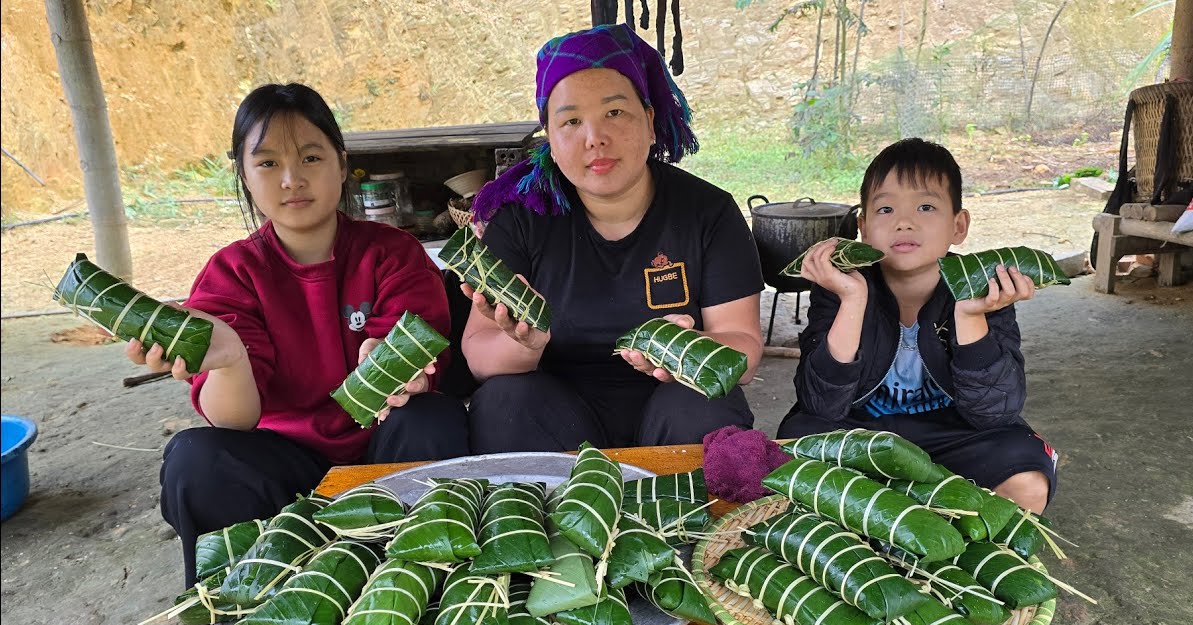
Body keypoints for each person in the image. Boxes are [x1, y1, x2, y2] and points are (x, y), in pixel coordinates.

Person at [129, 83, 469, 586]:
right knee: (195, 458)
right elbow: (234, 421)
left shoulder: (392, 253)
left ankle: (424, 580)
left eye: (311, 156)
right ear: (243, 175)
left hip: (383, 451)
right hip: (281, 468)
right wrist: (229, 361)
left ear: (340, 162)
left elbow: (414, 347)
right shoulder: (231, 273)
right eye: (267, 163)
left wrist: (392, 366)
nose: (292, 179)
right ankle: (247, 602)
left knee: (432, 417)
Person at [463, 24, 764, 453]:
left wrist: (689, 348)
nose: (595, 138)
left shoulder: (707, 212)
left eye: (615, 112)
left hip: (674, 408)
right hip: (556, 412)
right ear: (550, 137)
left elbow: (744, 349)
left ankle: (690, 520)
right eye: (570, 121)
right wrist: (522, 343)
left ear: (651, 122)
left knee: (706, 401)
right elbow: (477, 352)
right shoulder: (520, 220)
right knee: (503, 401)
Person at [777, 138, 1055, 513]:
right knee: (795, 442)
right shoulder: (840, 287)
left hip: (953, 436)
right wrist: (852, 300)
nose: (904, 222)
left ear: (959, 225)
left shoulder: (985, 287)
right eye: (886, 208)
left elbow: (995, 412)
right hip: (862, 435)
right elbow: (821, 405)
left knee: (1028, 482)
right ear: (863, 226)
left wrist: (971, 316)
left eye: (926, 207)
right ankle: (920, 511)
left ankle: (882, 511)